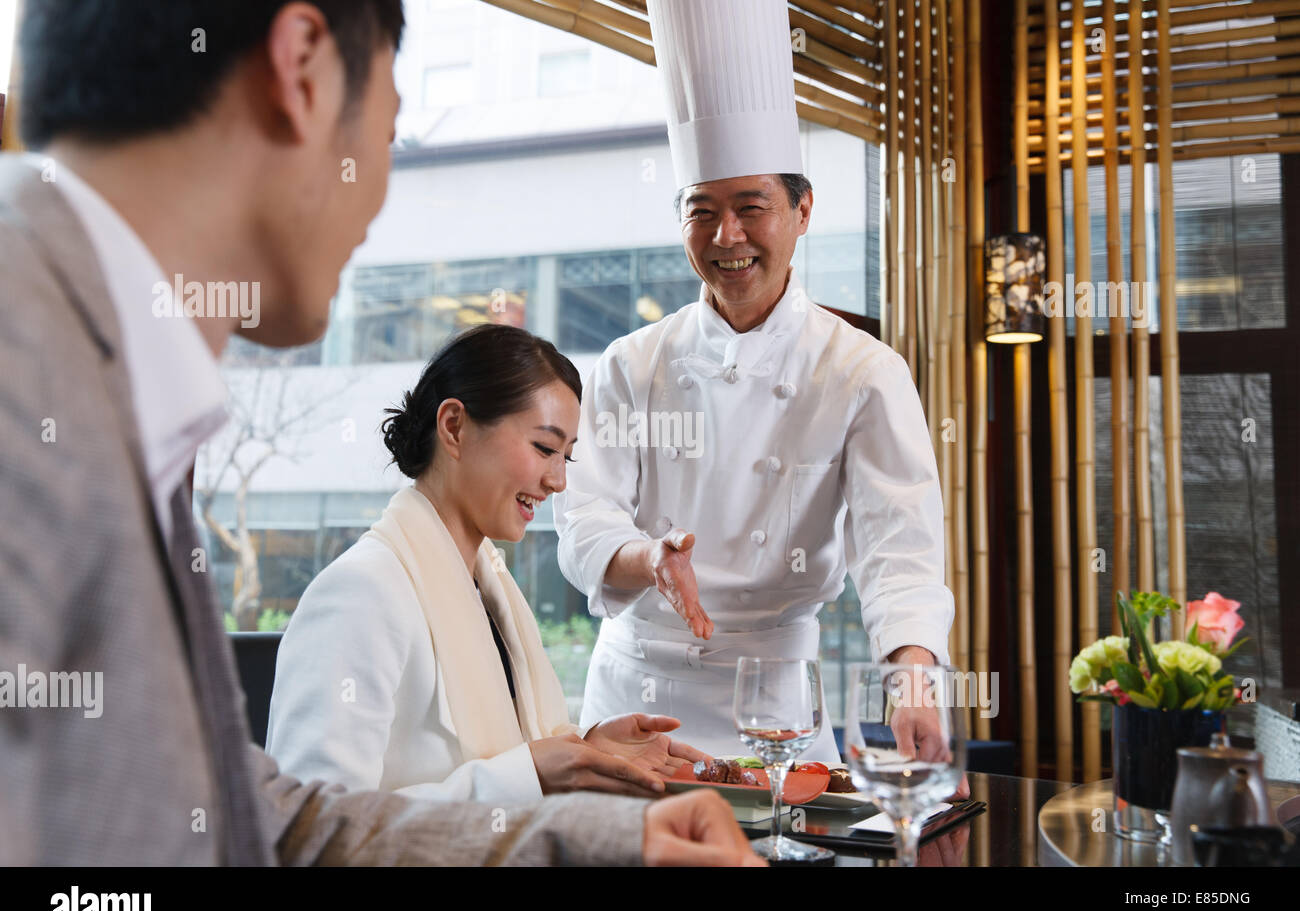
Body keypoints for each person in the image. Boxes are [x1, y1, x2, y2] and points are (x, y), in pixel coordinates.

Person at [0, 0, 761, 866]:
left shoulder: (115, 400)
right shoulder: (29, 378)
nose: (381, 194)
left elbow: (278, 823)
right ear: (303, 68)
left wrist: (611, 840)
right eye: (389, 136)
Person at [555, 0, 969, 798]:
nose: (727, 237)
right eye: (701, 212)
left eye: (751, 207)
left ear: (802, 211)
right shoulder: (630, 362)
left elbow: (899, 536)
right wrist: (653, 559)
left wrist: (913, 669)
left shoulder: (864, 370)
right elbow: (583, 515)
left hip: (776, 706)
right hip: (637, 701)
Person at [266, 324, 709, 805]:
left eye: (566, 456)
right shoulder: (360, 593)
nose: (558, 481)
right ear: (454, 426)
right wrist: (531, 775)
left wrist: (584, 751)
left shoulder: (489, 585)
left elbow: (505, 754)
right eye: (544, 448)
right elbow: (309, 827)